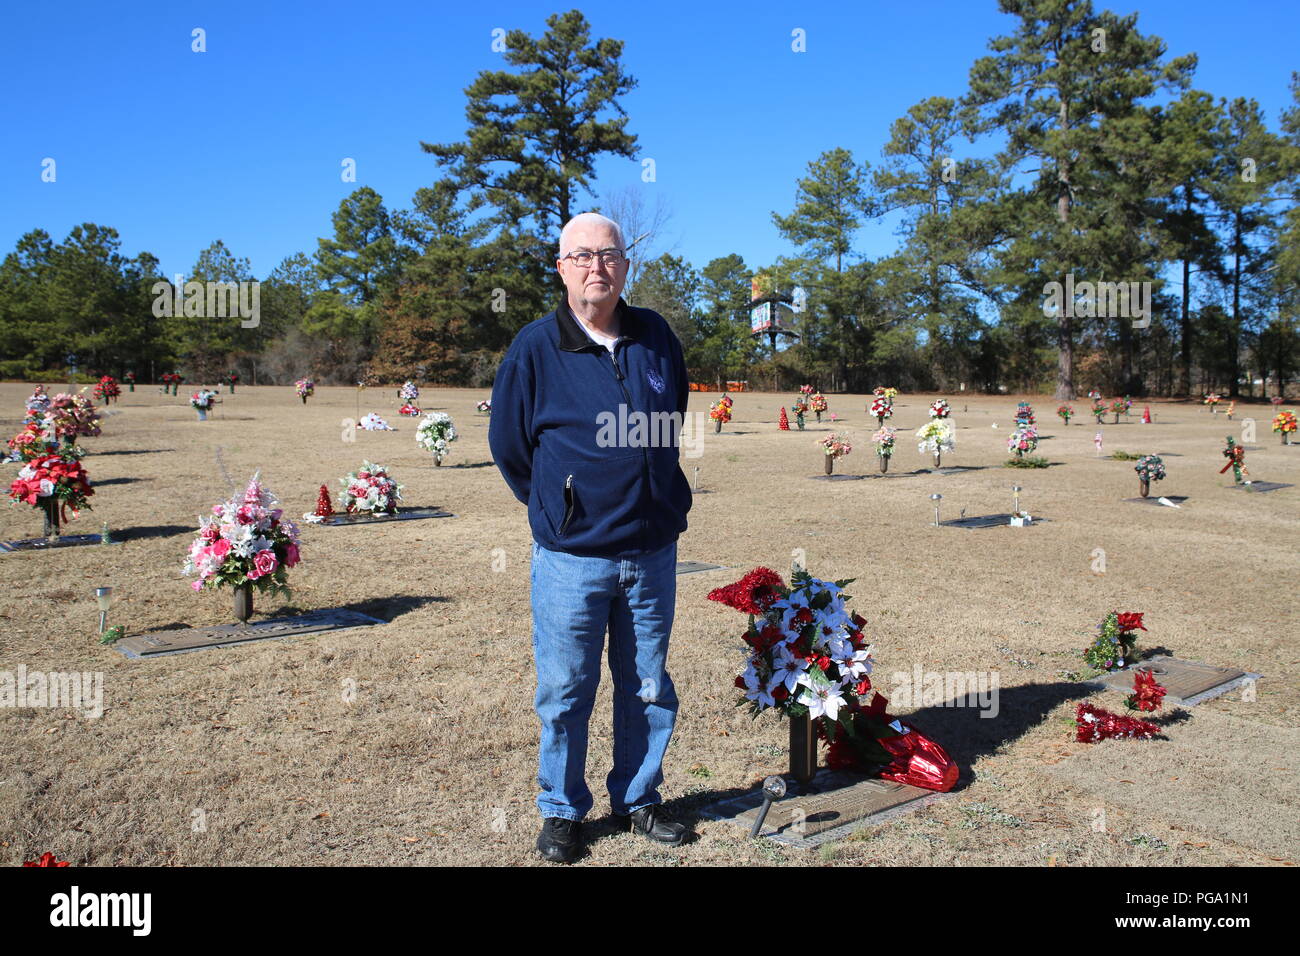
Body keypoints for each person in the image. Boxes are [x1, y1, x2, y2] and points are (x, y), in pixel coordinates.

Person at [489, 212, 694, 864]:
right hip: (571, 561)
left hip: (652, 553)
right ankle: (562, 812)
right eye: (581, 256)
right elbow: (510, 447)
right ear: (561, 268)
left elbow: (674, 415)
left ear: (625, 265)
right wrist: (561, 507)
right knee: (566, 691)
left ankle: (638, 800)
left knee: (648, 688)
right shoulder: (533, 348)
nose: (596, 267)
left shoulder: (655, 335)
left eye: (608, 255)